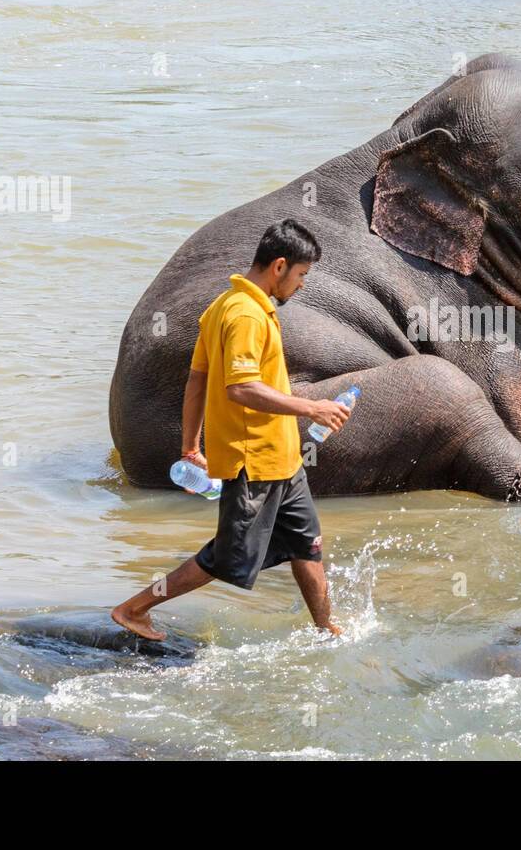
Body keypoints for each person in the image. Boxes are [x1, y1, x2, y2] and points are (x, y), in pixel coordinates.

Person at [112, 219, 351, 640]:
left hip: (284, 459)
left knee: (306, 543)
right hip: (253, 461)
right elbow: (240, 389)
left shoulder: (222, 306)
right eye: (301, 275)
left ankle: (327, 629)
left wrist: (190, 447)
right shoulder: (244, 316)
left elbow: (196, 382)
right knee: (227, 557)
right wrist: (311, 407)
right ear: (279, 266)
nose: (301, 285)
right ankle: (134, 608)